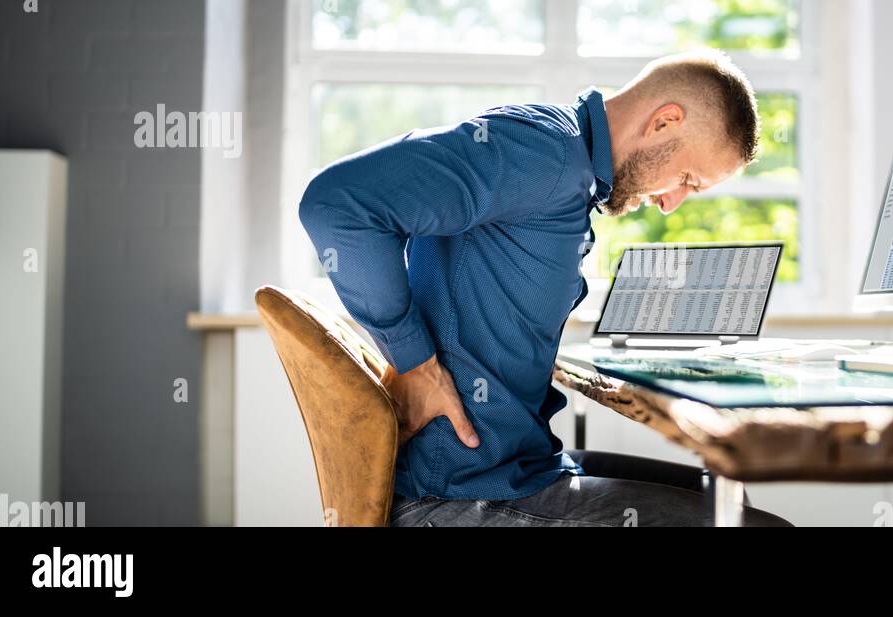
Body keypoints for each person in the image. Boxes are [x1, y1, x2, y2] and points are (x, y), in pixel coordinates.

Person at [299, 50, 792, 527]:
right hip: (460, 496)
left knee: (728, 496)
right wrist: (417, 363)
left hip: (518, 470)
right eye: (686, 178)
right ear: (664, 121)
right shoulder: (544, 153)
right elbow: (335, 204)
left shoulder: (564, 162)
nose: (671, 204)